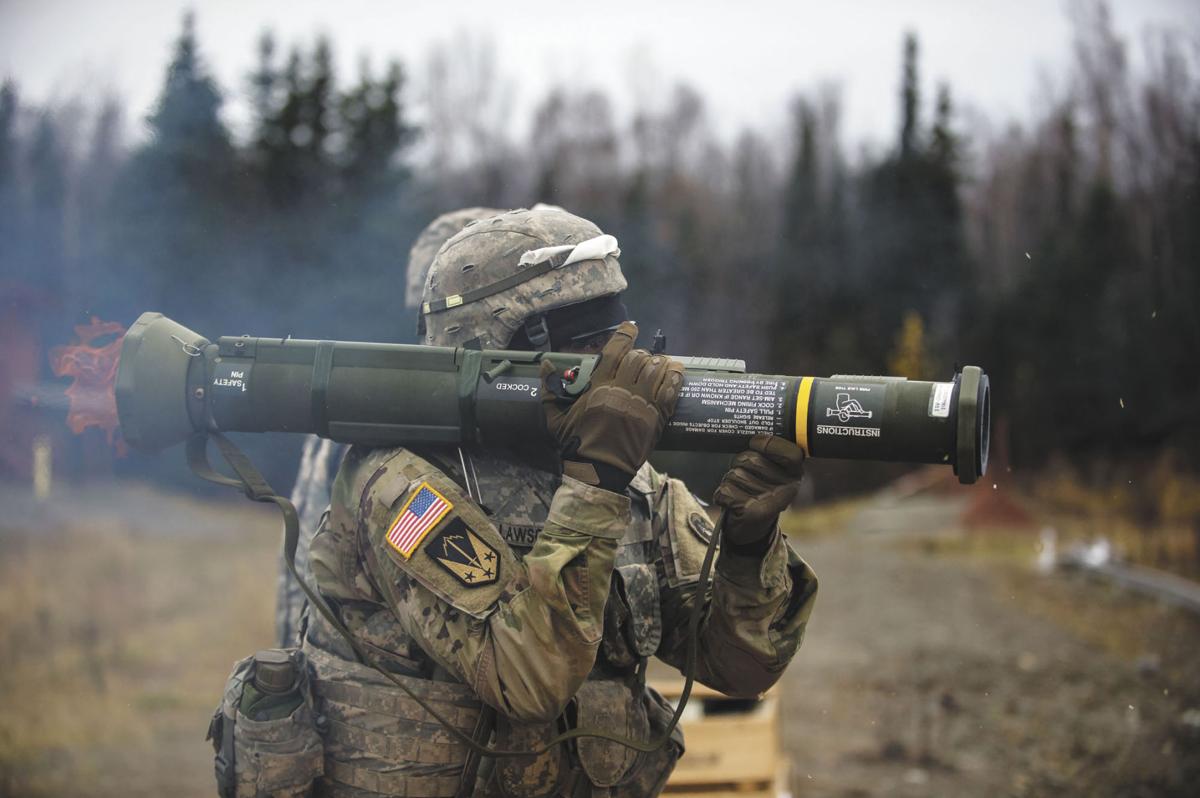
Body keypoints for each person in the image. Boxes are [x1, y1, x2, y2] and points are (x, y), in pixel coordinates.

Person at [300, 206, 819, 797]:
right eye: (588, 348)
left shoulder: (633, 485)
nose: (616, 371)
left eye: (618, 340)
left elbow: (741, 668)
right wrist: (597, 483)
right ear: (492, 354)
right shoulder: (402, 484)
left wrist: (748, 551)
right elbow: (527, 680)